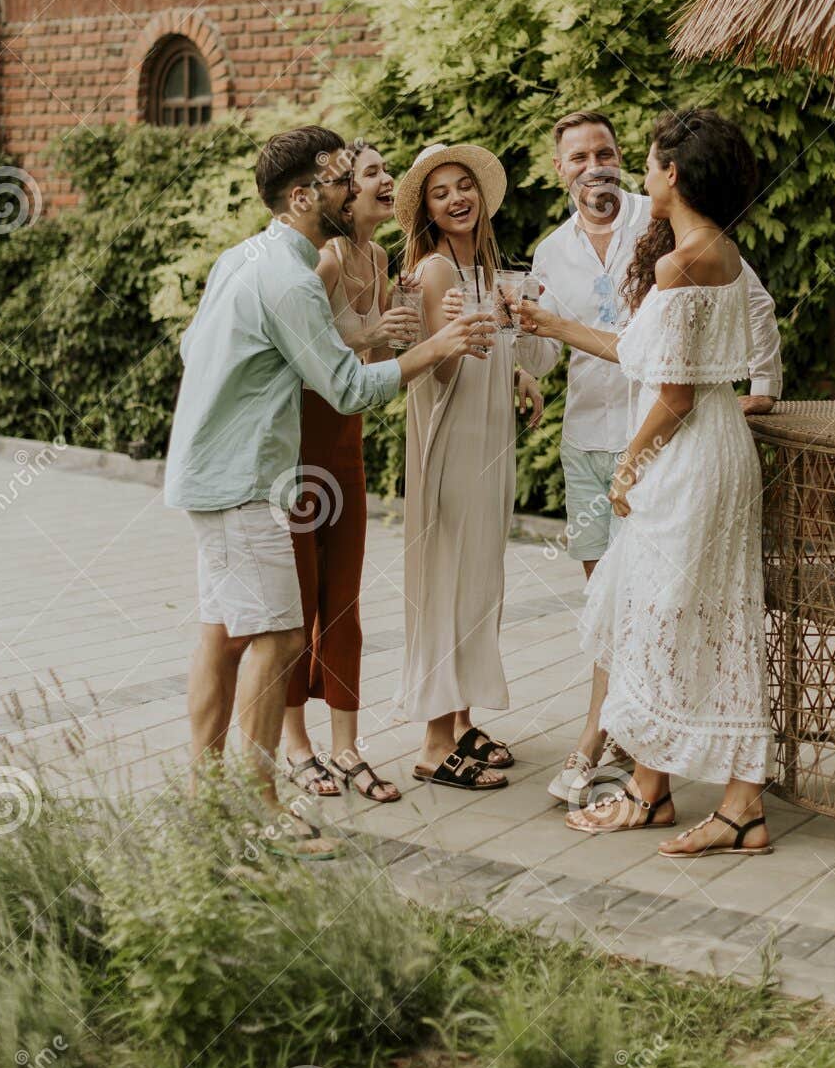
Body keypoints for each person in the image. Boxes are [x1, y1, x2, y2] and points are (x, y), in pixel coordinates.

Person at [164, 127, 493, 856]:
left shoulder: (241, 258)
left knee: (222, 633)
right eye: (342, 179)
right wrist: (434, 346)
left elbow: (194, 348)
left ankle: (203, 799)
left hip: (205, 470)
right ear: (304, 195)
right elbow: (347, 388)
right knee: (279, 636)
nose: (355, 189)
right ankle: (258, 810)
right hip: (248, 477)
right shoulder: (286, 277)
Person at [520, 108, 774, 856]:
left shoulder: (678, 264)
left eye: (651, 162)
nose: (640, 174)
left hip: (687, 457)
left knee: (661, 619)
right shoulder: (712, 249)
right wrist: (549, 325)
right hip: (719, 448)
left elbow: (672, 395)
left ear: (673, 175)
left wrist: (627, 465)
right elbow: (640, 352)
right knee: (686, 619)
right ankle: (666, 792)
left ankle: (731, 803)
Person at [393, 142, 553, 790]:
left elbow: (487, 353)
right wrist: (455, 338)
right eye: (441, 192)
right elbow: (438, 369)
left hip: (489, 443)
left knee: (477, 579)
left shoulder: (485, 271)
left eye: (465, 186)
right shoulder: (434, 271)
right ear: (427, 211)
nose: (457, 197)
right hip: (451, 444)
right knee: (446, 578)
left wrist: (517, 367)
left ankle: (458, 720)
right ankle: (433, 743)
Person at [282, 141, 418, 806]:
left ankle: (346, 747)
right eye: (371, 174)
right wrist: (370, 339)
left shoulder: (380, 257)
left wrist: (414, 325)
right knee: (298, 597)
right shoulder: (325, 259)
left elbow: (384, 354)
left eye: (384, 170)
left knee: (344, 600)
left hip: (348, 442)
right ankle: (297, 746)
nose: (387, 179)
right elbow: (302, 352)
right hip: (302, 443)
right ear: (344, 195)